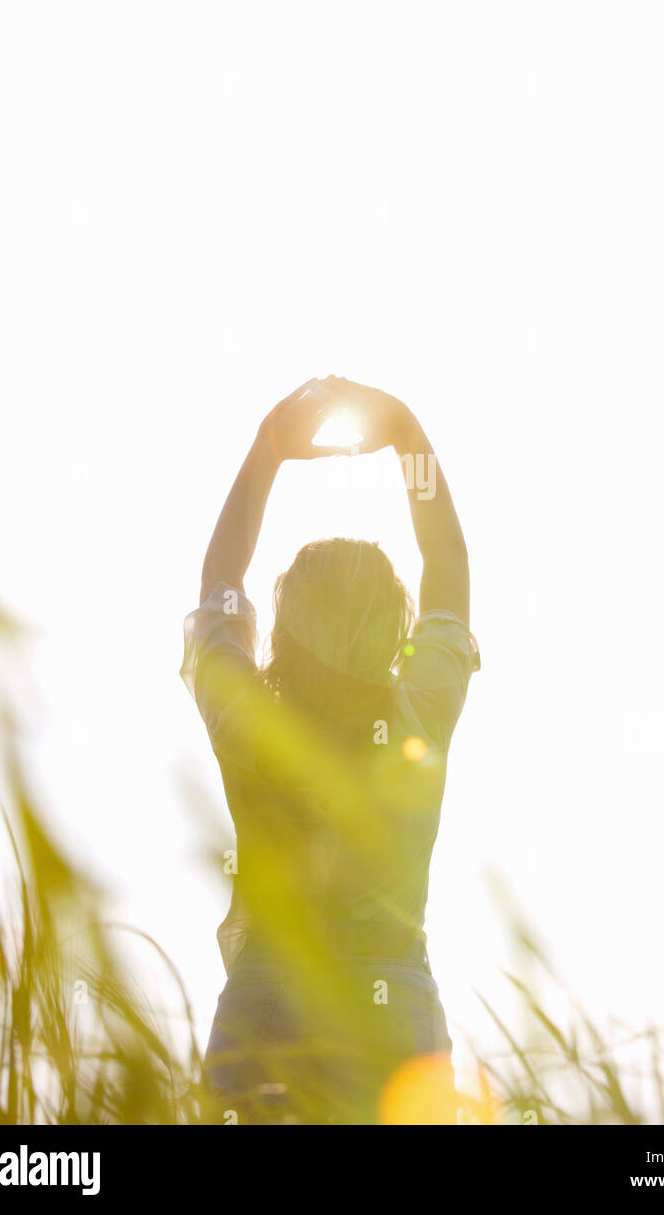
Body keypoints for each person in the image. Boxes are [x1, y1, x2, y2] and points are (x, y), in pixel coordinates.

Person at [180, 376, 480, 1123]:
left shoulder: (249, 720)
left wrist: (269, 449)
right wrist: (407, 434)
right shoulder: (418, 714)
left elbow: (221, 581)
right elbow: (445, 565)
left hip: (267, 991)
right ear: (392, 632)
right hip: (388, 993)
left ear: (283, 628)